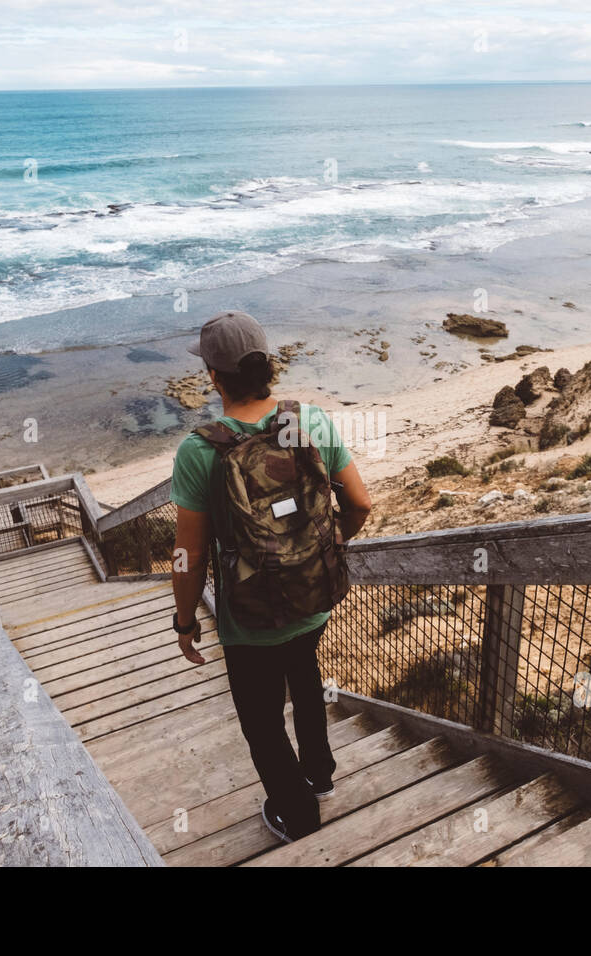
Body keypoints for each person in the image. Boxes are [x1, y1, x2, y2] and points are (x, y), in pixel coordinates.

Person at [169, 310, 372, 843]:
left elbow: (187, 554)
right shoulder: (312, 422)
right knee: (304, 680)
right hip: (313, 594)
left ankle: (297, 815)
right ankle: (320, 777)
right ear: (268, 365)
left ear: (213, 377)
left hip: (249, 616)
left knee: (261, 719)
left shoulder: (199, 451)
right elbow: (360, 503)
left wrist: (185, 621)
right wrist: (326, 546)